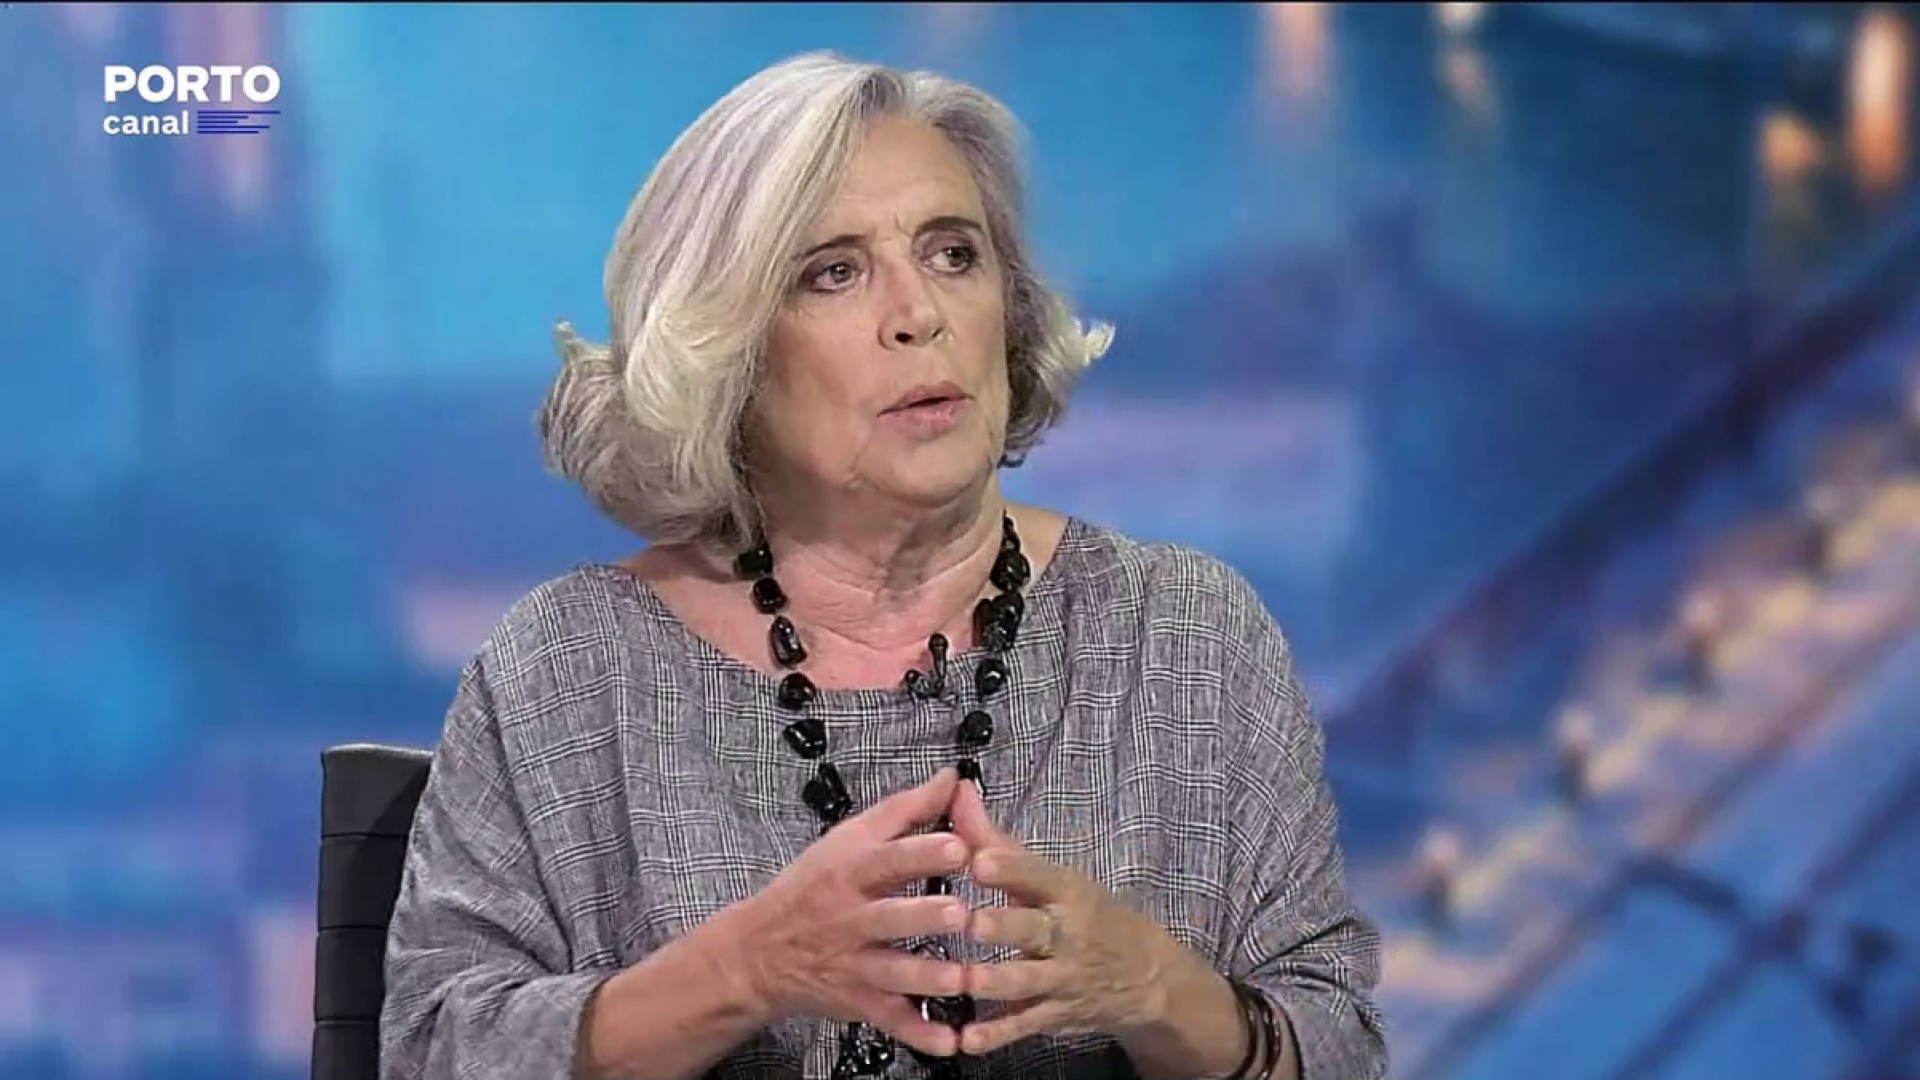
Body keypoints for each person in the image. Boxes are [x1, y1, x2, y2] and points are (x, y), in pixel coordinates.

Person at [379, 50, 1388, 1080]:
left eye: (953, 254)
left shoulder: (1187, 635)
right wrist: (745, 972)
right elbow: (433, 1051)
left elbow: (1338, 1044)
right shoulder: (571, 669)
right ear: (722, 351)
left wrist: (1157, 990)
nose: (919, 313)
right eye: (834, 272)